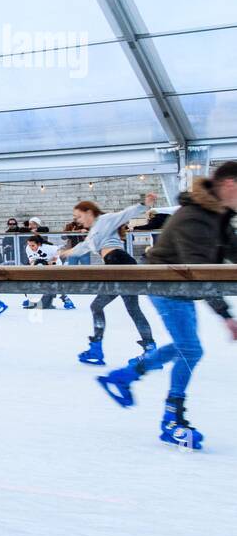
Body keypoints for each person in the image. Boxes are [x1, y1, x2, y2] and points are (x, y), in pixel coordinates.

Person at [96, 162, 237, 449]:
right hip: (166, 286)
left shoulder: (219, 215)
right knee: (190, 349)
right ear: (231, 185)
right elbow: (199, 274)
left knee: (186, 347)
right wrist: (225, 315)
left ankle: (123, 377)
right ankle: (172, 419)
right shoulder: (194, 218)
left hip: (182, 287)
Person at [60, 196, 157, 367]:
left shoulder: (105, 220)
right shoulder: (94, 231)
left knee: (107, 307)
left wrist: (144, 205)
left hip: (120, 263)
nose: (78, 221)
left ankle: (100, 348)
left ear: (89, 212)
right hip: (116, 265)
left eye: (79, 217)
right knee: (129, 308)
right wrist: (64, 254)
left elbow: (126, 214)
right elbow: (83, 248)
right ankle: (148, 350)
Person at [22, 234, 74, 310]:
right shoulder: (28, 248)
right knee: (34, 281)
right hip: (40, 266)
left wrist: (46, 263)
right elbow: (32, 261)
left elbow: (55, 259)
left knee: (55, 284)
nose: (30, 247)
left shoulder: (50, 248)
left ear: (39, 244)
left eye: (33, 245)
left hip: (55, 266)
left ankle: (66, 299)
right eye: (29, 245)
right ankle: (33, 299)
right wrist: (37, 264)